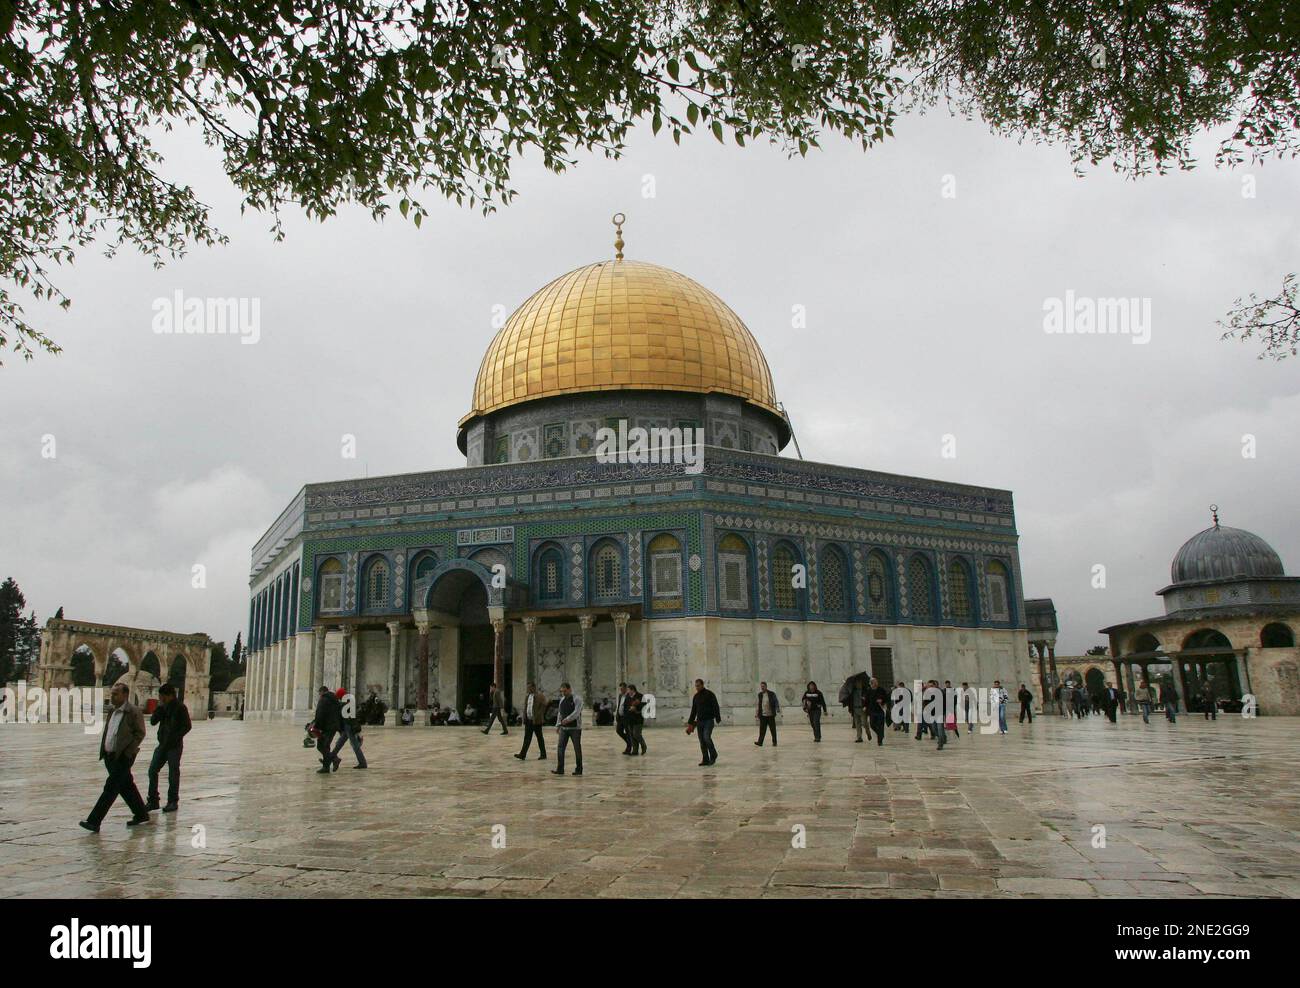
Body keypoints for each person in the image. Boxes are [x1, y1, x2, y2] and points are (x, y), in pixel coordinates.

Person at [80, 683, 150, 832]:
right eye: (112, 693)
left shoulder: (133, 712)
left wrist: (128, 752)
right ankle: (141, 813)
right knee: (126, 786)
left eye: (115, 694)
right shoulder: (112, 711)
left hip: (123, 757)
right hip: (109, 756)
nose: (112, 696)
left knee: (110, 788)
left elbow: (140, 733)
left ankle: (94, 821)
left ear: (125, 695)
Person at [145, 682, 191, 813]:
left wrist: (176, 737)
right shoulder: (162, 707)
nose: (161, 699)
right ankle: (153, 800)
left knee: (173, 773)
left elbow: (187, 726)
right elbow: (153, 721)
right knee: (152, 770)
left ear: (170, 695)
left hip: (174, 746)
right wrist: (159, 708)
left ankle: (172, 801)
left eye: (162, 697)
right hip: (162, 745)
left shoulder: (180, 708)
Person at [330, 687, 368, 769]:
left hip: (349, 726)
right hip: (348, 726)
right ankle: (330, 759)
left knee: (355, 746)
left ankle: (363, 763)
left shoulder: (345, 702)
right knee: (339, 744)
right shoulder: (349, 701)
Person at [687, 678, 721, 765]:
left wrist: (717, 717)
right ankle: (705, 759)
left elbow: (715, 706)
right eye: (696, 686)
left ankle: (713, 755)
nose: (697, 688)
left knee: (706, 738)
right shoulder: (696, 697)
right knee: (702, 741)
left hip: (709, 721)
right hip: (699, 722)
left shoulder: (710, 694)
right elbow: (694, 711)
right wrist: (690, 723)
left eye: (698, 686)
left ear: (702, 685)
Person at [552, 682, 583, 776]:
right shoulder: (562, 700)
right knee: (560, 748)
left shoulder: (577, 699)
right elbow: (560, 713)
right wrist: (558, 725)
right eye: (562, 692)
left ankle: (579, 769)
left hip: (575, 728)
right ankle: (560, 768)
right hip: (564, 728)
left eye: (565, 691)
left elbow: (577, 712)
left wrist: (567, 720)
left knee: (577, 748)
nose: (563, 693)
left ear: (569, 689)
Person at [311, 685, 342, 773]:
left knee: (321, 745)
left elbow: (320, 714)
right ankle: (326, 765)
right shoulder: (334, 699)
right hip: (334, 726)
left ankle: (333, 759)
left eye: (319, 693)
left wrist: (316, 726)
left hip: (327, 727)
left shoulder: (323, 700)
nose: (319, 695)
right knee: (326, 745)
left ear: (322, 692)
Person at [514, 682, 548, 760]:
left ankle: (543, 754)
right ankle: (522, 754)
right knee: (527, 738)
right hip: (529, 720)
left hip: (536, 721)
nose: (528, 689)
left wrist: (539, 714)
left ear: (533, 687)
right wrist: (524, 717)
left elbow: (544, 704)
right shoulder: (527, 696)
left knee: (539, 737)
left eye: (529, 688)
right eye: (527, 688)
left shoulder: (539, 695)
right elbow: (526, 707)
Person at [921, 680, 947, 750]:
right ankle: (943, 737)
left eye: (932, 686)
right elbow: (924, 703)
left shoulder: (941, 692)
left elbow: (946, 703)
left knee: (940, 728)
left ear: (935, 685)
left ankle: (940, 744)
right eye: (929, 686)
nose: (930, 688)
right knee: (934, 730)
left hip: (939, 713)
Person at [754, 681, 780, 746]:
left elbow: (776, 701)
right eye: (761, 686)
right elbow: (758, 704)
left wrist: (777, 708)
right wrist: (757, 713)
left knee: (773, 729)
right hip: (763, 715)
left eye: (763, 686)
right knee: (762, 730)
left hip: (770, 715)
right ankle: (760, 742)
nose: (762, 687)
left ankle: (774, 742)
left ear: (766, 686)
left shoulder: (771, 693)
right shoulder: (760, 694)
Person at [624, 683, 647, 756]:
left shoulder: (640, 696)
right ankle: (635, 751)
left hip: (638, 718)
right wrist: (629, 709)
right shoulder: (627, 696)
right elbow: (625, 706)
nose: (627, 691)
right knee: (631, 735)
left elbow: (644, 705)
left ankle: (643, 745)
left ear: (632, 690)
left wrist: (636, 708)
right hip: (630, 719)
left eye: (628, 690)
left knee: (636, 734)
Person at [867, 677, 889, 746]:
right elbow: (867, 700)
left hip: (880, 710)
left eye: (876, 681)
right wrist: (864, 705)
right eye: (874, 682)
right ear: (871, 683)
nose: (876, 683)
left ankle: (880, 741)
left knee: (880, 725)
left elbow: (886, 698)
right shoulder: (869, 690)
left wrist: (881, 700)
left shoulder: (881, 690)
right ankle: (880, 735)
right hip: (872, 711)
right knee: (872, 725)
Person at [614, 682, 630, 753]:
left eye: (622, 689)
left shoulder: (629, 696)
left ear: (626, 688)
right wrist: (617, 714)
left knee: (628, 731)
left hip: (626, 717)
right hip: (620, 717)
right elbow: (619, 705)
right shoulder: (620, 696)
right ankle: (630, 741)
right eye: (620, 689)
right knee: (618, 731)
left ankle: (629, 747)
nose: (621, 690)